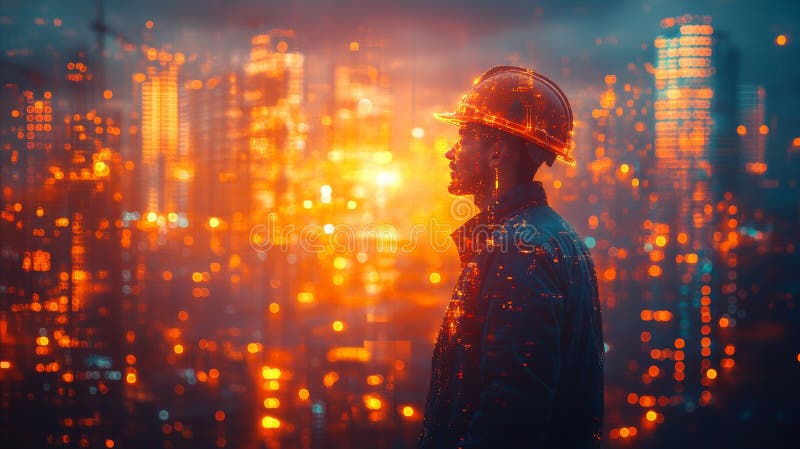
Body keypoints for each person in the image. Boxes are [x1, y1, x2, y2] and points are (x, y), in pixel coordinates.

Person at [418, 66, 604, 449]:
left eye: (464, 137)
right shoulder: (547, 236)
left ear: (497, 152)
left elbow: (513, 408)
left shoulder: (520, 249)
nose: (451, 152)